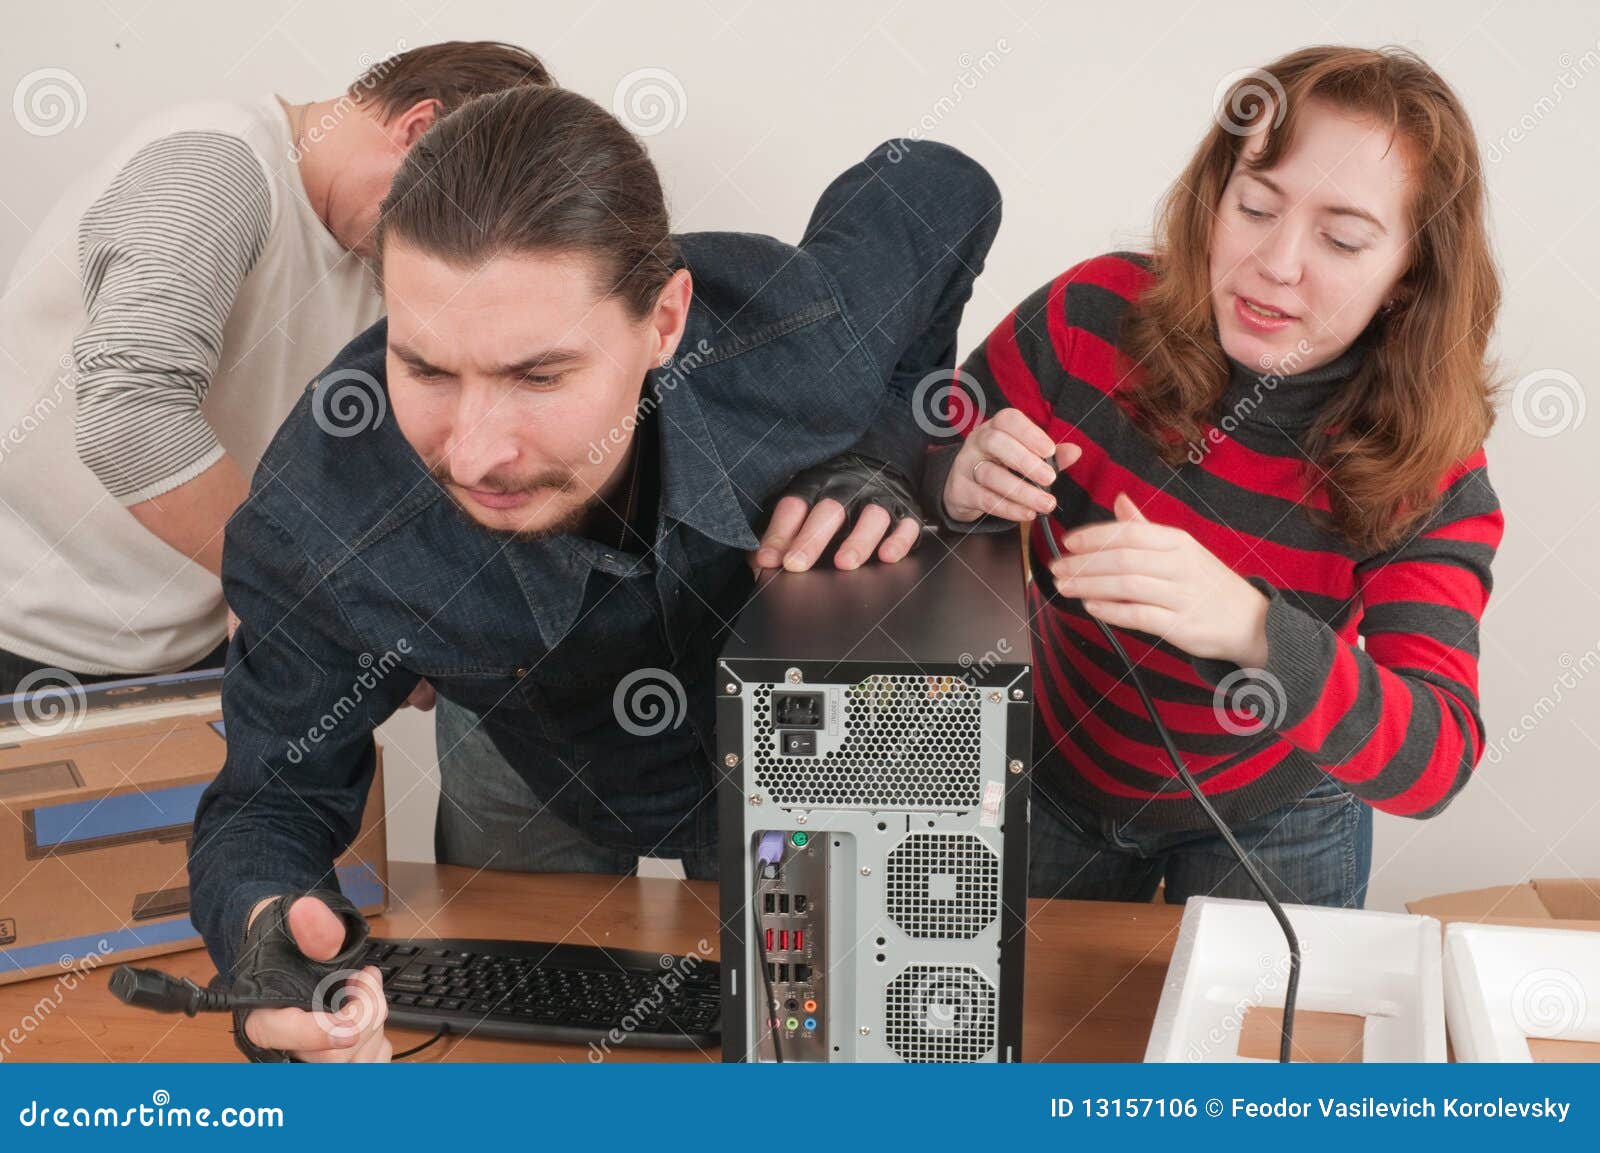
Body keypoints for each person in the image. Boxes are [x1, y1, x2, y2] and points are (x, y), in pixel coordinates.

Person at [188, 84, 1001, 1062]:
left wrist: (879, 455)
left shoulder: (794, 337)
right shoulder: (318, 518)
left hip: (770, 767)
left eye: (538, 376)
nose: (478, 452)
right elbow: (266, 804)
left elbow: (943, 185)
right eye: (427, 368)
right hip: (529, 766)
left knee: (805, 1046)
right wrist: (271, 944)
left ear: (664, 322)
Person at [910, 45, 1502, 908]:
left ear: (1410, 278)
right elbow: (901, 465)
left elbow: (1435, 760)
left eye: (1340, 238)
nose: (1277, 262)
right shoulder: (1087, 317)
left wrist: (1251, 627)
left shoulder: (1431, 460)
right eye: (1255, 206)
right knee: (1037, 1036)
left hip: (1278, 814)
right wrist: (950, 484)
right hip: (1052, 767)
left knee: (1243, 1045)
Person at [0, 41, 552, 695]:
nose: (440, 250)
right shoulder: (215, 166)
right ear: (418, 130)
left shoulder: (374, 253)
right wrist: (336, 605)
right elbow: (127, 417)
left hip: (195, 640)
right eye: (450, 220)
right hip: (25, 636)